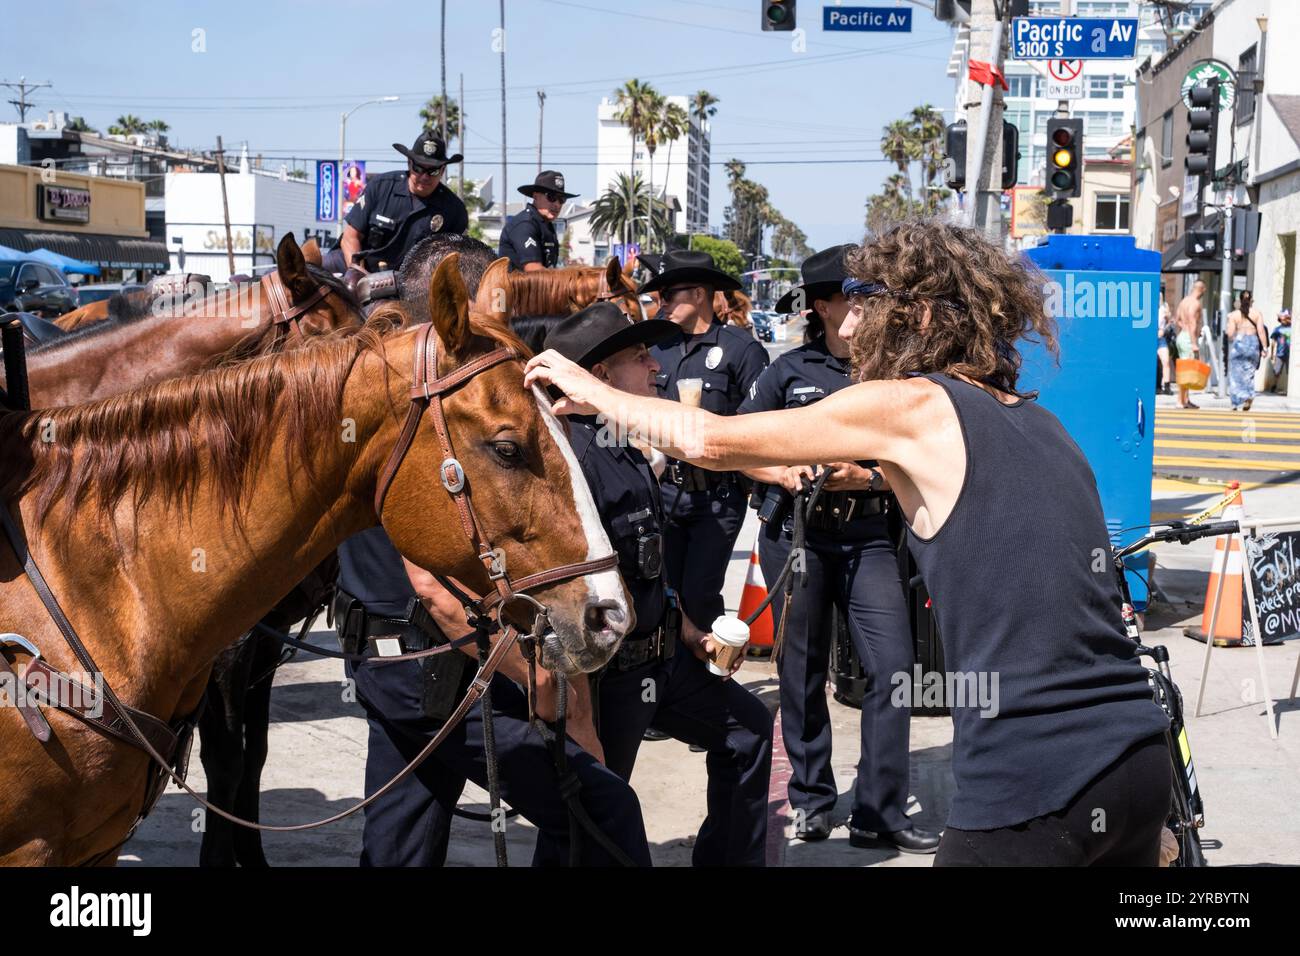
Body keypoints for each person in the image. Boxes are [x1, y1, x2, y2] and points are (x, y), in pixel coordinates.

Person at [525, 220, 1175, 867]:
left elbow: (712, 441)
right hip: (1138, 760)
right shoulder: (1044, 423)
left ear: (917, 313)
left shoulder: (914, 405)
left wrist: (590, 387)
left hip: (1036, 782)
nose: (854, 327)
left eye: (865, 303)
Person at [334, 238, 651, 867]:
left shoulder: (379, 381)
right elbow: (431, 585)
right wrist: (540, 678)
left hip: (387, 663)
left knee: (404, 842)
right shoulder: (439, 404)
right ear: (467, 304)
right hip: (445, 667)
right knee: (602, 812)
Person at [541, 301, 774, 866]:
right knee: (589, 820)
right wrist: (577, 712)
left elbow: (649, 570)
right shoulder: (572, 460)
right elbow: (563, 604)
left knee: (750, 732)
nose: (657, 369)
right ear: (597, 378)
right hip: (607, 682)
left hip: (663, 660)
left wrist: (692, 632)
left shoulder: (624, 444)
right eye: (640, 356)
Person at [738, 245, 940, 854]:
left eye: (872, 299)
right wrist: (783, 469)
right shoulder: (786, 372)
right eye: (855, 298)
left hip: (869, 535)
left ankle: (880, 810)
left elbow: (917, 460)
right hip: (798, 535)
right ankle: (812, 799)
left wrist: (871, 478)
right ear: (823, 306)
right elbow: (741, 445)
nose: (866, 310)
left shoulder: (891, 380)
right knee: (800, 670)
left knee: (895, 668)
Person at [641, 249, 770, 638]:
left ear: (698, 294)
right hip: (662, 493)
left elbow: (758, 425)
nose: (660, 305)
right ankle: (667, 685)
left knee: (699, 595)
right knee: (659, 595)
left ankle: (706, 684)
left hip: (716, 498)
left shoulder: (741, 349)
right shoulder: (654, 348)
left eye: (669, 295)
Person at [341, 130, 468, 273]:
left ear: (443, 170)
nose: (425, 176)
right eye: (419, 168)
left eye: (433, 171)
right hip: (364, 272)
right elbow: (350, 237)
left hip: (415, 286)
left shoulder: (454, 210)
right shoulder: (380, 187)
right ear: (409, 163)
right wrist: (360, 277)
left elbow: (456, 260)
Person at [499, 170, 576, 272]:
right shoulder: (525, 224)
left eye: (561, 200)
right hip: (514, 288)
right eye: (552, 197)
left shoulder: (545, 225)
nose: (557, 204)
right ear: (535, 196)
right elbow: (534, 272)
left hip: (539, 287)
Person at [1225, 289, 1268, 411]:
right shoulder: (1257, 313)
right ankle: (1248, 397)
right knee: (1249, 373)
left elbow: (1230, 334)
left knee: (1235, 374)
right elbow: (1261, 331)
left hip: (1239, 343)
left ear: (1239, 300)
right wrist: (1264, 348)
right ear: (1251, 300)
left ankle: (1235, 402)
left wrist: (1228, 324)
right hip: (1253, 343)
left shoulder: (1234, 315)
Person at [1174, 281, 1205, 409]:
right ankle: (1180, 401)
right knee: (1186, 372)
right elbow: (1192, 322)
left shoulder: (1184, 301)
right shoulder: (1195, 304)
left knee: (1185, 370)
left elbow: (1177, 320)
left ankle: (1185, 400)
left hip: (1182, 336)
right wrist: (1194, 343)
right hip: (1188, 338)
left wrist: (1185, 330)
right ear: (1201, 289)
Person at [1268, 308, 1291, 394]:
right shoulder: (1277, 329)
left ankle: (1290, 388)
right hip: (1279, 354)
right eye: (1283, 318)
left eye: (1286, 318)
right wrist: (1272, 354)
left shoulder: (1294, 327)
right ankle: (1274, 386)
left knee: (1290, 372)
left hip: (1290, 355)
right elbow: (1273, 342)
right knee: (1276, 371)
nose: (1284, 320)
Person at [1157, 293, 1173, 395]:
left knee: (1165, 361)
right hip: (1150, 338)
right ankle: (1157, 386)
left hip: (1161, 338)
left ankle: (1167, 386)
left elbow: (1170, 322)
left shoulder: (1164, 307)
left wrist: (1165, 328)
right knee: (1154, 364)